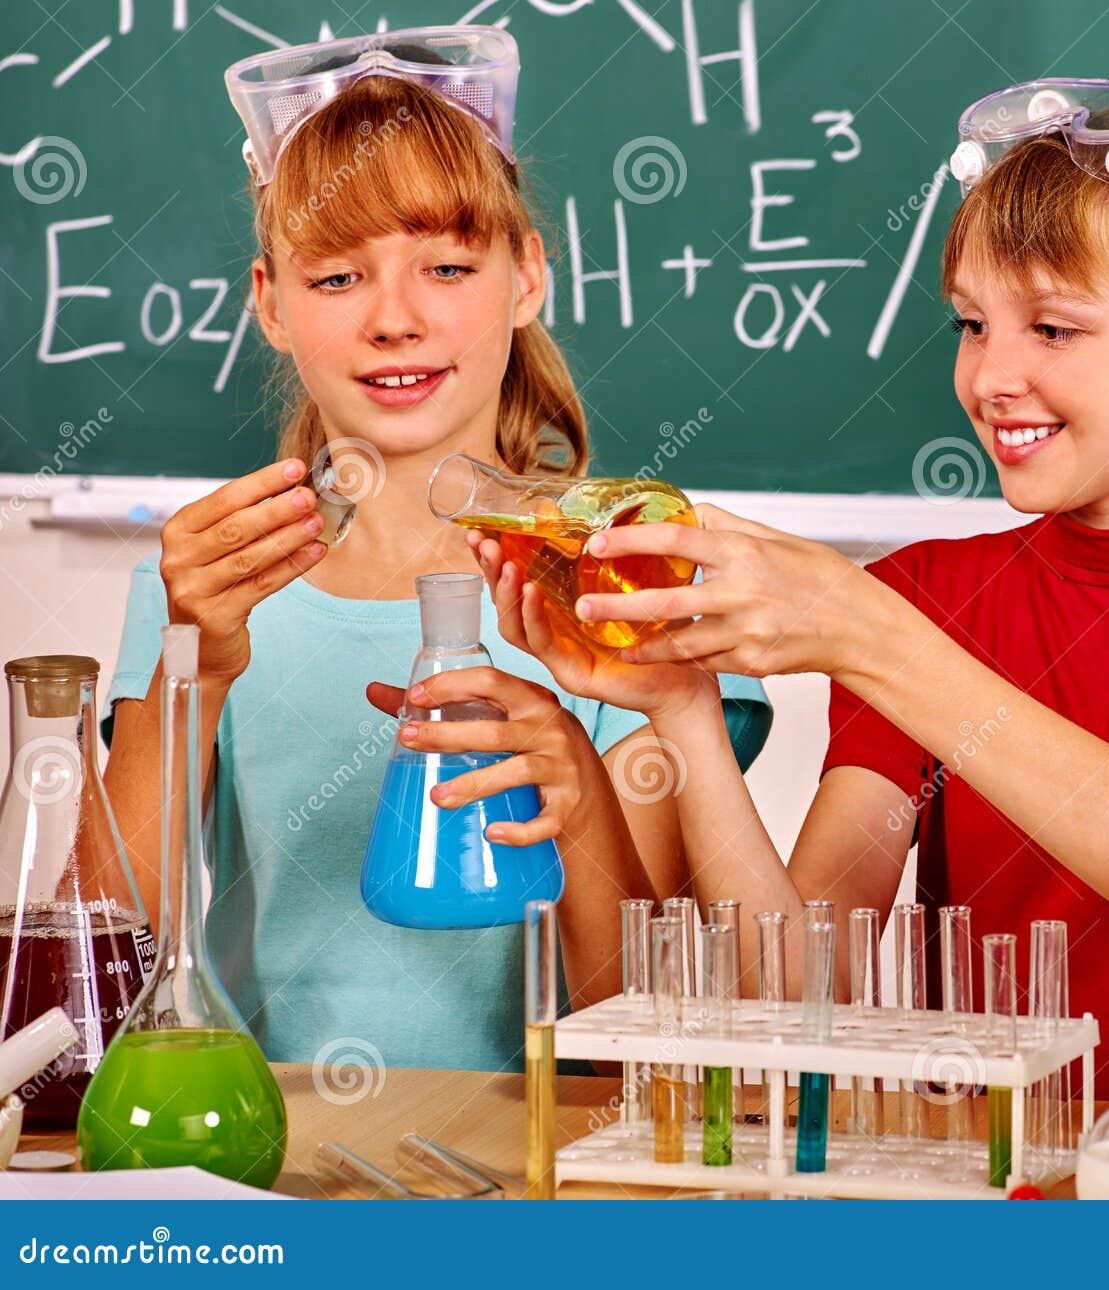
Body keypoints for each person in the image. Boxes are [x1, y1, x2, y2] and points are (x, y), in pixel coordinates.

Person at [469, 79, 1109, 1097]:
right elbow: (791, 997)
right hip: (993, 1182)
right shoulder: (926, 596)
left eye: (1051, 329)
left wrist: (873, 636)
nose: (988, 377)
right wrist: (687, 712)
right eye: (972, 324)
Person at [101, 28, 769, 1074]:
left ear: (528, 278)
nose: (396, 319)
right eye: (336, 280)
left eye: (449, 266)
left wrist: (581, 791)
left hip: (537, 1179)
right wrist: (196, 665)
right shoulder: (199, 589)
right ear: (270, 304)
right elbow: (99, 961)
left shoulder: (623, 580)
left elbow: (637, 1035)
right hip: (255, 1163)